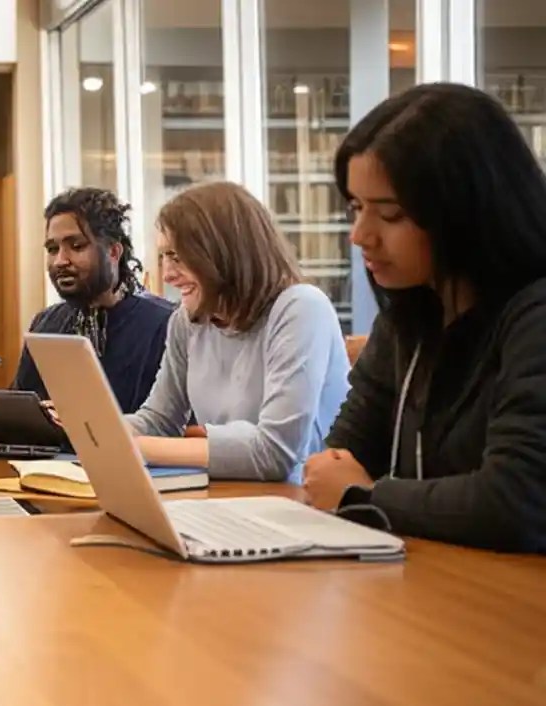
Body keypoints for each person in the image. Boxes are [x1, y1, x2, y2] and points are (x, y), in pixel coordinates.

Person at [304, 83, 546, 553]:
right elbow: (335, 461)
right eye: (356, 208)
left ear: (467, 211)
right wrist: (349, 485)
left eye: (390, 215)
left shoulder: (534, 316)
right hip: (437, 587)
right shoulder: (410, 317)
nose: (360, 235)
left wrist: (366, 495)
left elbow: (518, 501)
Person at [125, 181, 350, 483]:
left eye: (177, 257)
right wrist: (96, 433)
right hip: (228, 497)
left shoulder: (301, 308)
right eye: (164, 256)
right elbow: (159, 419)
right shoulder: (186, 321)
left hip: (302, 504)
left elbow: (274, 453)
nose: (167, 274)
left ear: (222, 253)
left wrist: (140, 447)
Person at [12, 188, 174, 412]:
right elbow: (19, 412)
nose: (60, 261)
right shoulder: (46, 324)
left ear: (114, 252)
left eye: (76, 246)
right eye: (52, 249)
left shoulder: (166, 324)